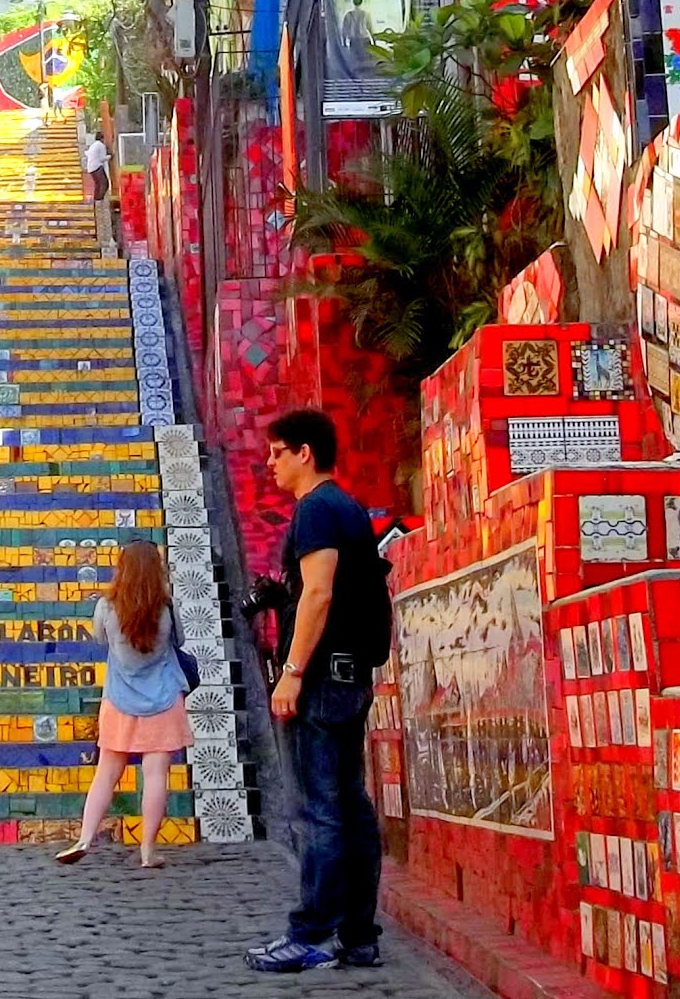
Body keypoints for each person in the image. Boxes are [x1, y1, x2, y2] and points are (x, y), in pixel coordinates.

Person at [246, 410, 393, 974]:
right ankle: (358, 935)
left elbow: (317, 595)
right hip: (351, 675)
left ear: (305, 453)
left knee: (319, 812)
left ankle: (310, 935)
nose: (270, 462)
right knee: (351, 809)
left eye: (278, 452)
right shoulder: (350, 508)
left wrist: (292, 671)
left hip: (323, 681)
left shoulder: (316, 511)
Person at [56, 541, 191, 868]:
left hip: (119, 699)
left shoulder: (106, 607)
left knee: (106, 773)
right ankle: (147, 849)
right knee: (156, 774)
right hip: (164, 698)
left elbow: (100, 639)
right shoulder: (166, 607)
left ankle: (85, 838)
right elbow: (181, 642)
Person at [83, 131, 111, 202]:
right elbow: (102, 158)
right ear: (102, 138)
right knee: (105, 184)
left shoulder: (93, 145)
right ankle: (100, 199)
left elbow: (87, 153)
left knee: (98, 184)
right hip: (97, 166)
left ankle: (96, 199)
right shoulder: (101, 145)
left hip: (91, 167)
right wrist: (109, 156)